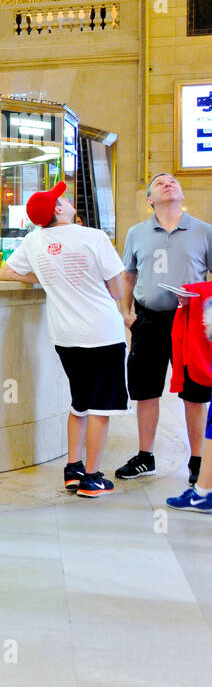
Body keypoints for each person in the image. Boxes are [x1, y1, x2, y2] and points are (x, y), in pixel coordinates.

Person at [0, 181, 128, 497]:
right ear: (58, 209)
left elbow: (6, 272)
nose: (70, 201)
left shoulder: (34, 241)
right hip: (102, 334)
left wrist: (44, 277)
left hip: (65, 337)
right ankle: (93, 477)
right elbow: (116, 289)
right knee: (101, 408)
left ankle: (73, 469)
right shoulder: (93, 237)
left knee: (79, 402)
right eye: (64, 199)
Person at [117, 172, 212, 485]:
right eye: (159, 182)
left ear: (182, 194)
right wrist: (126, 313)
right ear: (150, 200)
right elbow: (129, 276)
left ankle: (196, 461)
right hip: (149, 319)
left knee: (194, 393)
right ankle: (146, 457)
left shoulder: (203, 231)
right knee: (145, 390)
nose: (168, 183)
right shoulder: (136, 233)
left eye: (173, 181)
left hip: (190, 322)